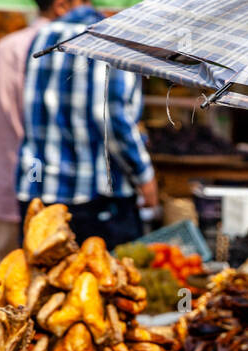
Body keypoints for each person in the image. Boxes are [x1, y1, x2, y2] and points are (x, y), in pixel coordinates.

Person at [16, 1, 158, 247]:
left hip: (39, 192)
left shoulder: (41, 37)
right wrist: (144, 176)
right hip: (96, 200)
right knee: (106, 281)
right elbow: (112, 118)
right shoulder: (114, 39)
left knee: (45, 281)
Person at [0, 0, 61, 259]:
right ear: (60, 5)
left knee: (10, 278)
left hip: (7, 182)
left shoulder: (6, 47)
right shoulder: (61, 47)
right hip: (52, 188)